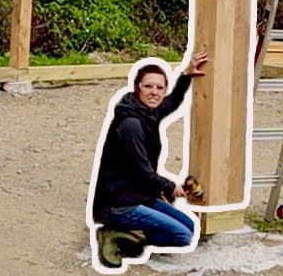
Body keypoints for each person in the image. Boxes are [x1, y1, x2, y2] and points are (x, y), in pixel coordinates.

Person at [89, 51, 209, 269]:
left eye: (159, 88)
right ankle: (118, 236)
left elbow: (171, 103)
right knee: (182, 235)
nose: (154, 92)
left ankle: (134, 229)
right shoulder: (131, 124)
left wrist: (187, 74)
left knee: (191, 227)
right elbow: (142, 171)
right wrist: (171, 187)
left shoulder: (147, 111)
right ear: (138, 87)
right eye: (148, 86)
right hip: (119, 204)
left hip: (140, 194)